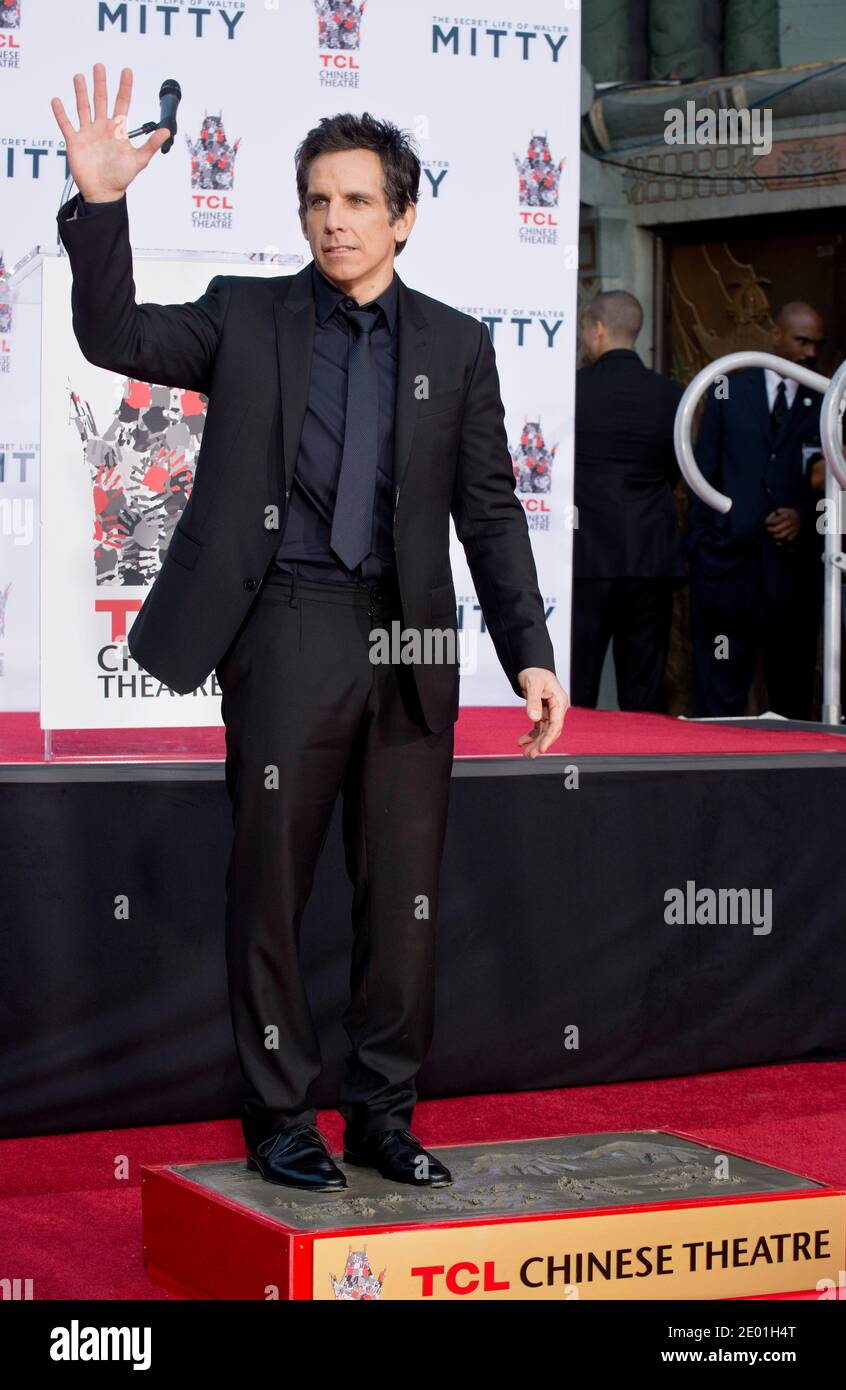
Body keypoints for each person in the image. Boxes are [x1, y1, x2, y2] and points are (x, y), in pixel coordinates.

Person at [51, 65, 567, 1192]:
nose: (333, 221)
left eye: (356, 202)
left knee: (404, 897)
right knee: (272, 886)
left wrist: (528, 645)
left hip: (413, 642)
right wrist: (100, 208)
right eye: (317, 202)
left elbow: (488, 507)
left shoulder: (455, 344)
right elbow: (114, 334)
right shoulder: (247, 313)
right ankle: (280, 1118)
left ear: (404, 215)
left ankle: (384, 1112)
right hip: (289, 625)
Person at [687, 302, 825, 720]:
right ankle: (711, 779)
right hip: (729, 571)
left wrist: (803, 514)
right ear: (776, 334)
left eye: (818, 344)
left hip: (793, 575)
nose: (810, 353)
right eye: (802, 341)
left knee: (793, 696)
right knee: (720, 694)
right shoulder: (730, 388)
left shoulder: (826, 398)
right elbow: (701, 471)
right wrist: (704, 545)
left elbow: (834, 478)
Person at [571, 291, 686, 711]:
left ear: (596, 329)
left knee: (576, 683)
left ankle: (568, 767)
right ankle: (644, 771)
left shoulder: (571, 390)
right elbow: (677, 472)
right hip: (650, 557)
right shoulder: (673, 395)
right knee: (644, 689)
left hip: (587, 559)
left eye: (584, 330)